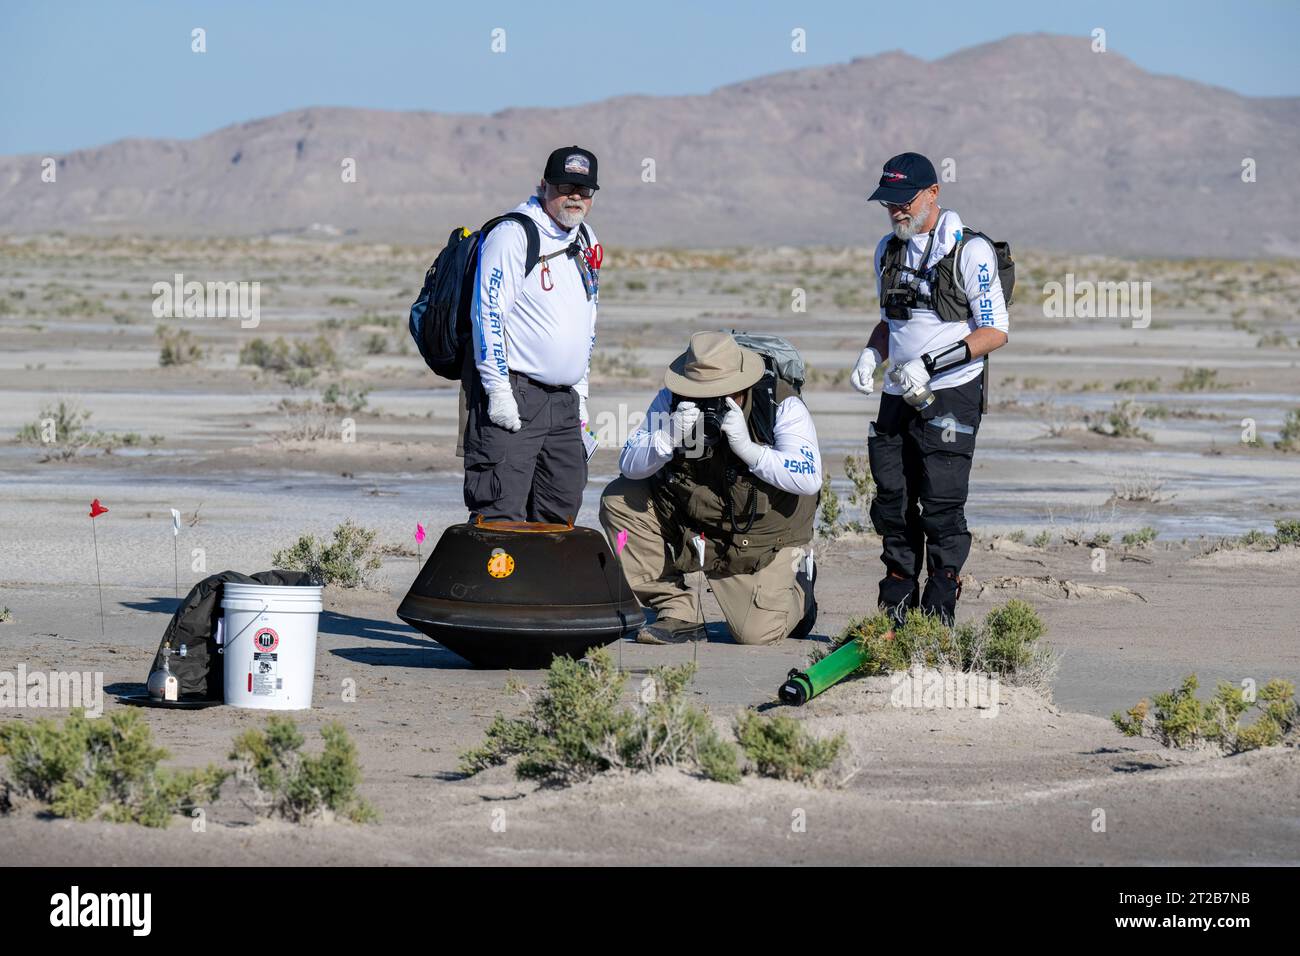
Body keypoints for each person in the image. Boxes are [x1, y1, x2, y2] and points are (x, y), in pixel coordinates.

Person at [850, 152, 1009, 626]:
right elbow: (889, 323)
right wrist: (871, 355)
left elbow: (995, 331)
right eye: (888, 204)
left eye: (904, 201)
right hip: (899, 394)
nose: (896, 211)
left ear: (933, 193)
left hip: (952, 395)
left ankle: (938, 613)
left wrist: (931, 363)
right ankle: (895, 607)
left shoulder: (970, 251)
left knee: (940, 505)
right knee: (892, 502)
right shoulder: (887, 250)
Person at [600, 332, 821, 645]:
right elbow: (630, 464)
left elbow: (810, 476)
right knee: (620, 498)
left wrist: (750, 450)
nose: (708, 403)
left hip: (762, 538)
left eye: (721, 394)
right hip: (697, 521)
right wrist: (666, 438)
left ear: (744, 385)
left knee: (755, 634)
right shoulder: (671, 399)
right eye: (698, 393)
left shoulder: (779, 404)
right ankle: (677, 610)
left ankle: (801, 586)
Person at [462, 145, 602, 523]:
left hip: (565, 404)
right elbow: (487, 315)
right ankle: (495, 584)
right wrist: (498, 393)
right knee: (501, 511)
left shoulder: (585, 238)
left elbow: (586, 321)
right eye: (564, 186)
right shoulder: (514, 234)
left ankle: (547, 585)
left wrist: (582, 396)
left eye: (584, 190)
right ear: (543, 185)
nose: (575, 196)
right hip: (515, 392)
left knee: (561, 510)